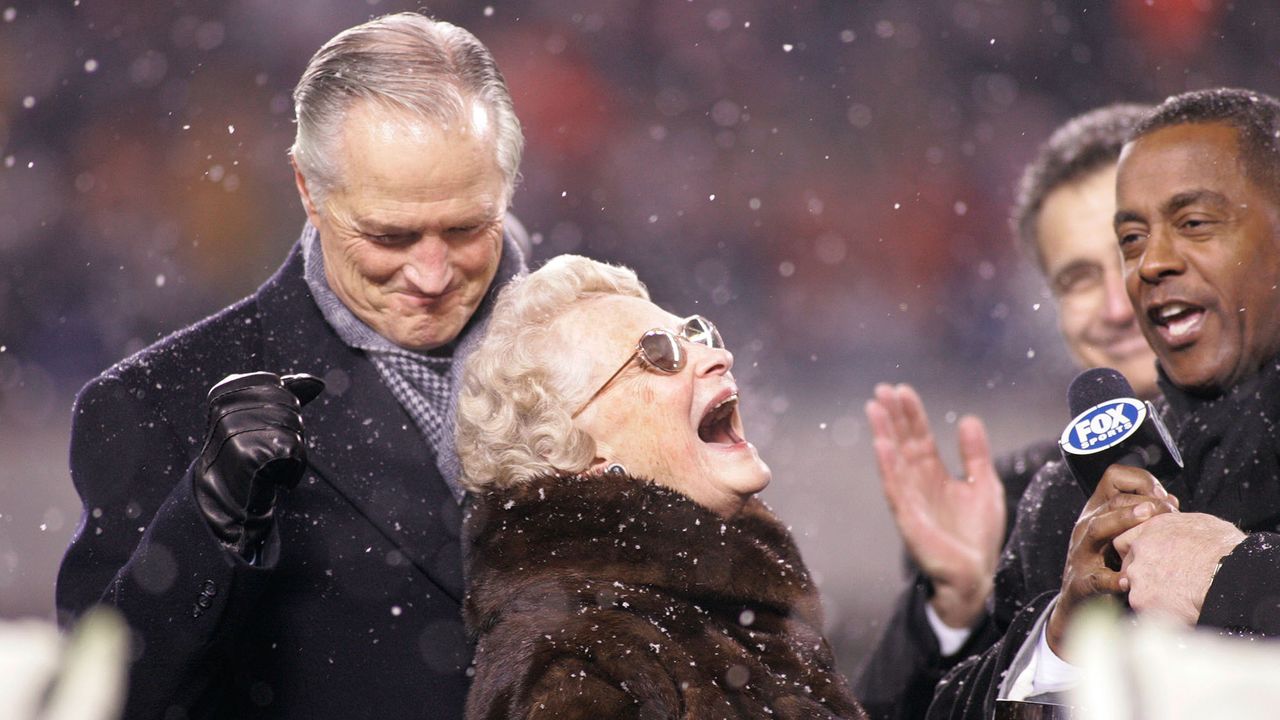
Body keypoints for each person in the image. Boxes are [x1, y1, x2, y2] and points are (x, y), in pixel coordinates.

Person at [55, 13, 528, 719]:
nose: (432, 274)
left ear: (507, 188)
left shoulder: (631, 358)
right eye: (390, 235)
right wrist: (207, 522)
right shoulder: (155, 404)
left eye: (466, 227)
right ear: (309, 190)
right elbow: (102, 701)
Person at [927, 87, 1280, 718]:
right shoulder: (1066, 502)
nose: (1151, 264)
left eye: (1194, 223)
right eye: (1133, 238)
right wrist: (1059, 645)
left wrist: (1236, 582)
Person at [453, 255, 868, 720]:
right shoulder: (575, 663)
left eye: (698, 335)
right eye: (659, 354)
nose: (720, 357)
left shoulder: (736, 616)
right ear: (573, 450)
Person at [853, 104, 1158, 720]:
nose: (1114, 307)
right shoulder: (1009, 502)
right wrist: (956, 603)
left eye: (1129, 252)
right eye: (1076, 278)